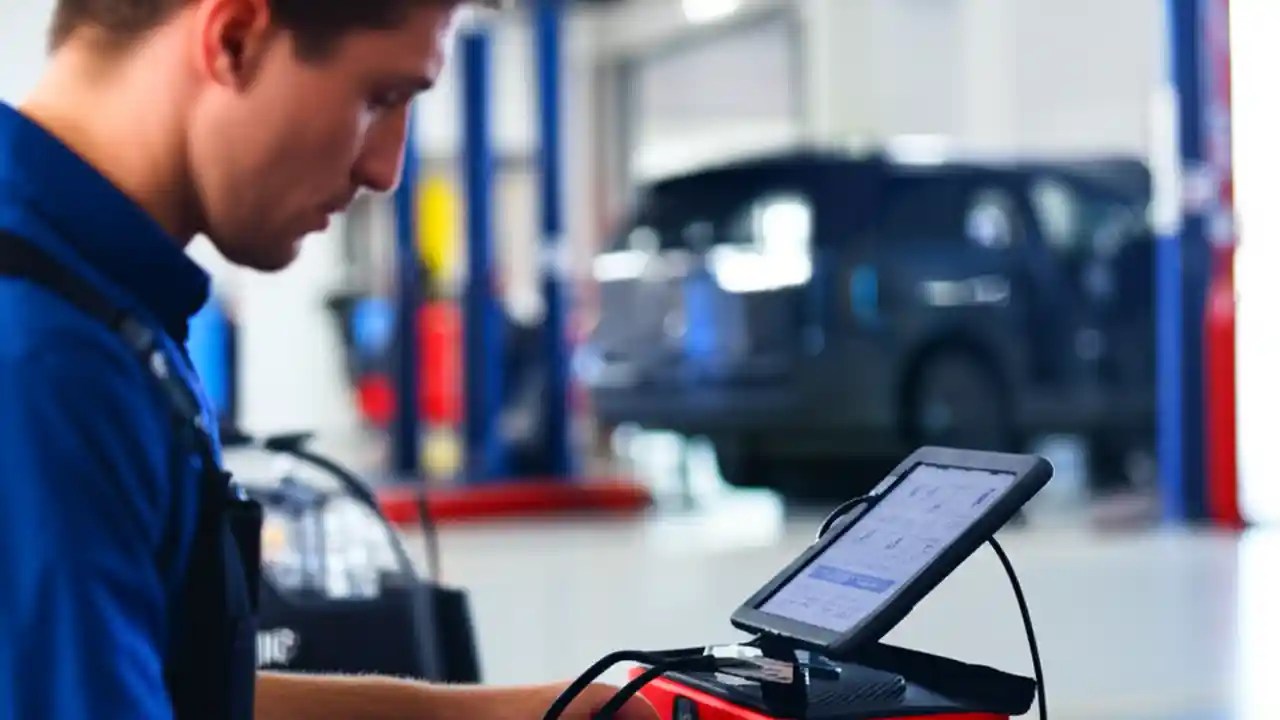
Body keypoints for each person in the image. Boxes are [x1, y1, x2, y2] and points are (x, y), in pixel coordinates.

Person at [0, 0, 658, 718]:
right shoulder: (47, 359)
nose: (385, 169)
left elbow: (168, 689)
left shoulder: (92, 297)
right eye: (381, 98)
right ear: (236, 38)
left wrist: (491, 715)